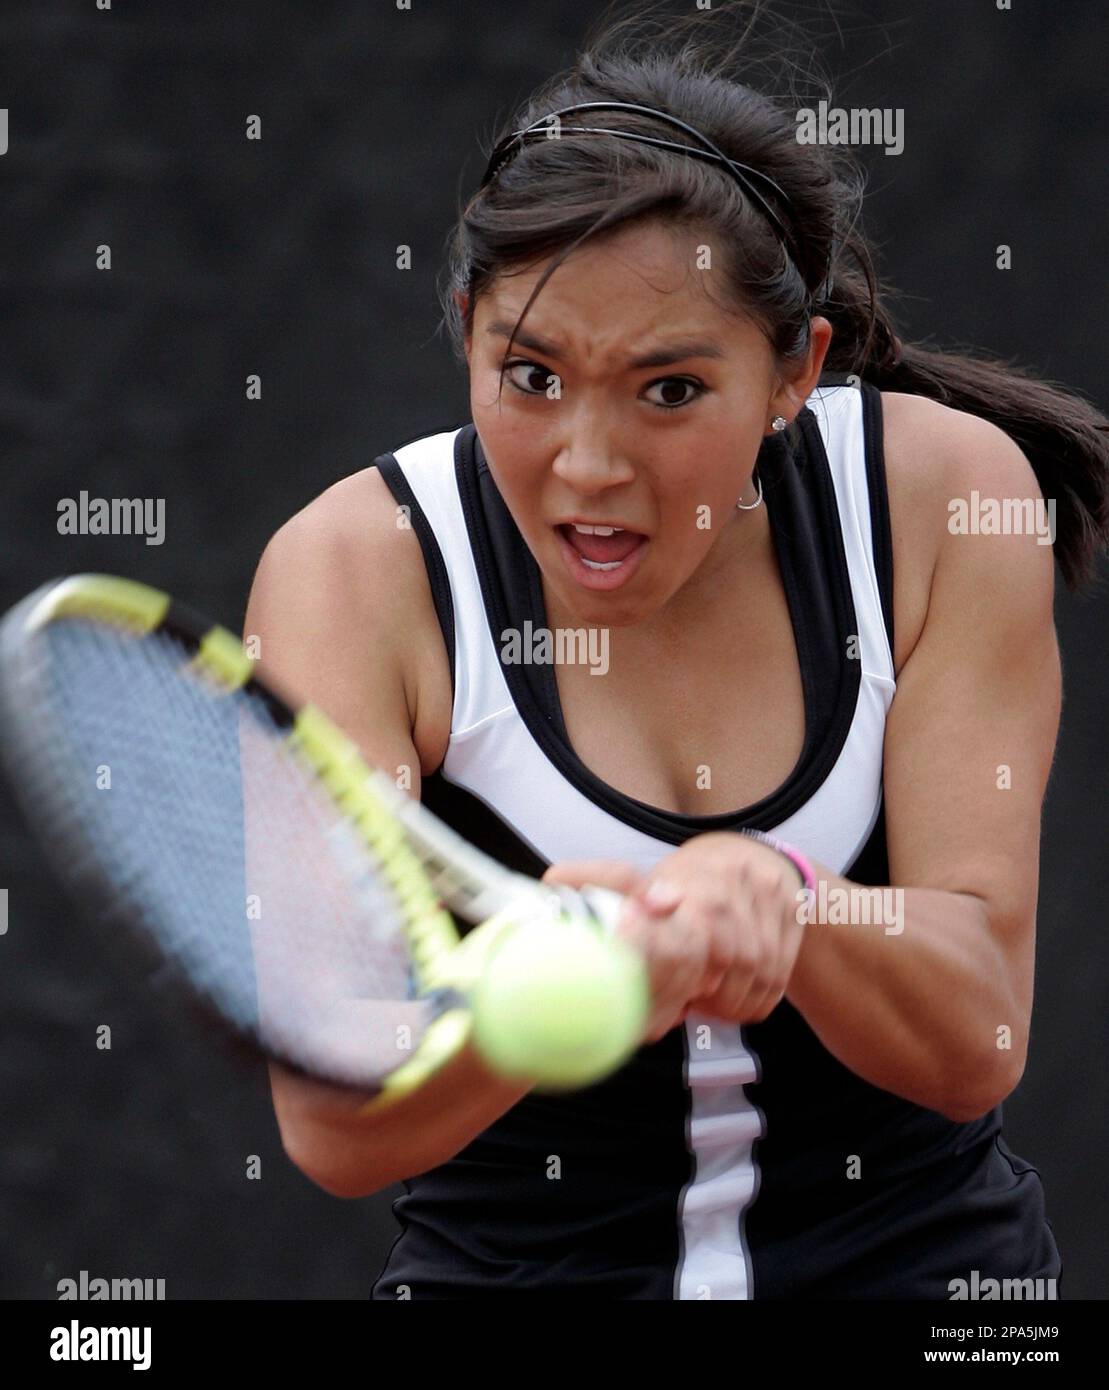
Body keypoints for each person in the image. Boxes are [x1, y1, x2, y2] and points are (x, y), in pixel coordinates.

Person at [243, 3, 1108, 1298]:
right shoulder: (349, 573)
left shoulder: (948, 501)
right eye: (528, 374)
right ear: (468, 329)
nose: (588, 467)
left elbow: (978, 1024)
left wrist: (786, 903)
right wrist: (583, 973)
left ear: (790, 373)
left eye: (668, 389)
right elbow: (334, 1118)